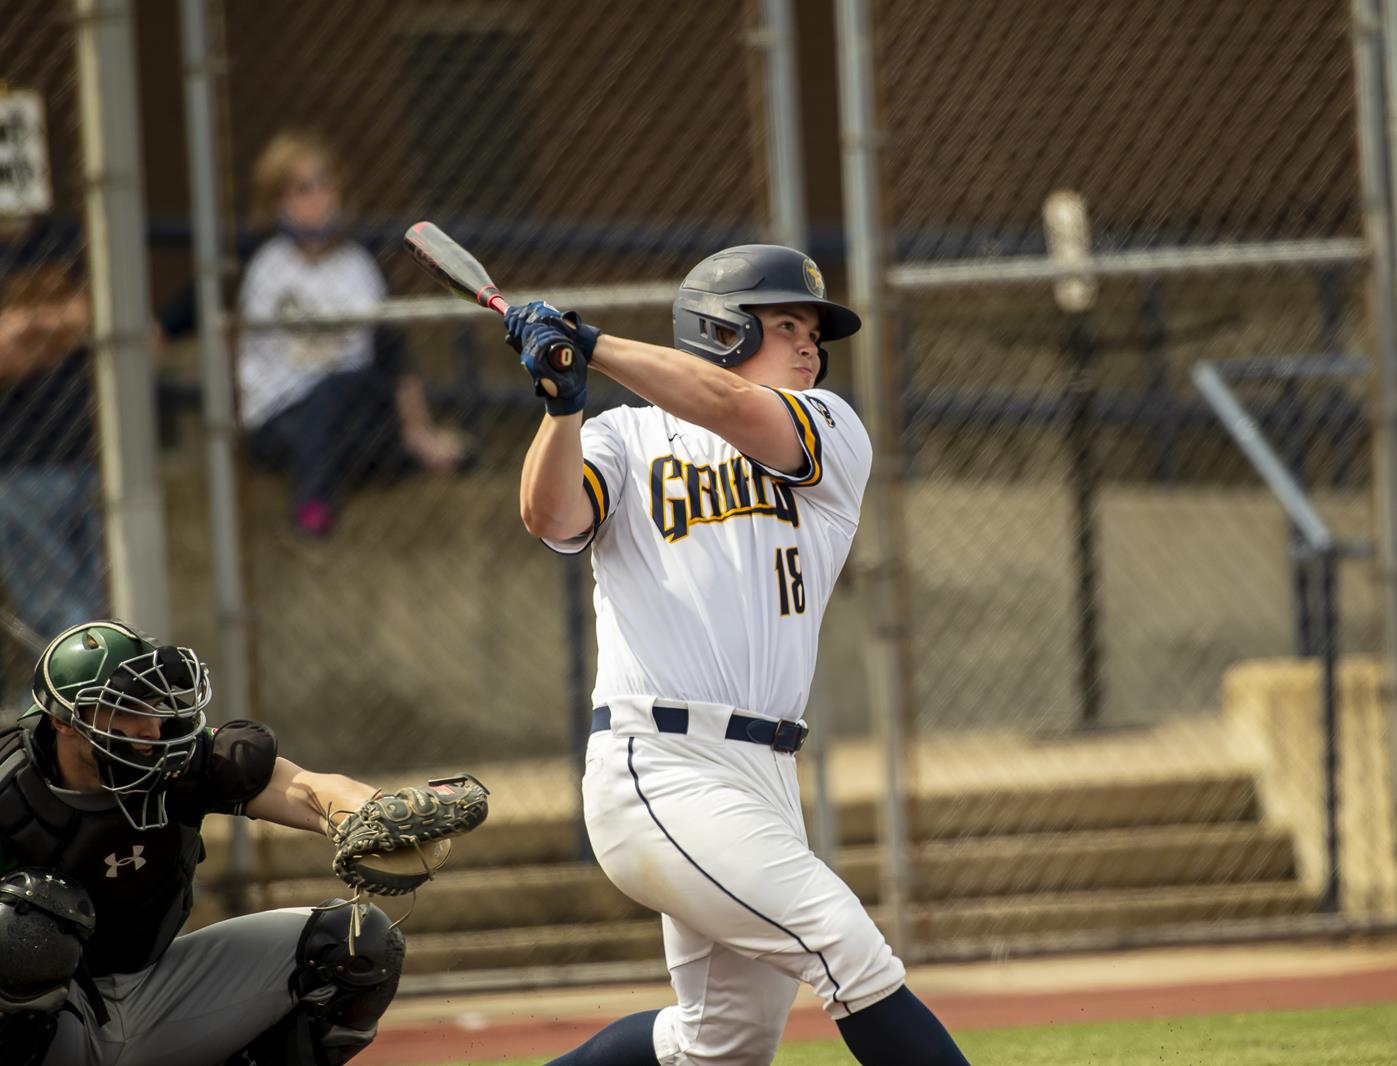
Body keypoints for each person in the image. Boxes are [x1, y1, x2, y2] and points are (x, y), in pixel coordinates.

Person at [509, 246, 970, 1065]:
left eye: (815, 333)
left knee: (717, 1047)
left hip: (763, 775)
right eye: (786, 325)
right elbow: (551, 517)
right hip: (658, 763)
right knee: (846, 946)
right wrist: (561, 405)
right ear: (718, 330)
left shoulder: (830, 427)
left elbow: (727, 404)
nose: (810, 348)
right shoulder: (628, 436)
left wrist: (592, 343)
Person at [0, 619, 409, 1065]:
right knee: (22, 925)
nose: (152, 731)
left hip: (158, 987)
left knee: (362, 943)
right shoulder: (8, 779)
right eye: (127, 709)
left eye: (155, 707)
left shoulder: (179, 759)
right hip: (54, 1017)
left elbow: (306, 789)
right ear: (65, 720)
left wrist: (381, 814)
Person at [237, 131, 465, 536]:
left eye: (326, 183)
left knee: (343, 392)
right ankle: (315, 505)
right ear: (279, 203)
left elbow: (394, 355)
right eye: (304, 189)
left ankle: (323, 498)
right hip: (280, 415)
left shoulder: (359, 264)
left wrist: (419, 430)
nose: (320, 197)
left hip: (351, 404)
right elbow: (189, 306)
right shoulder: (265, 264)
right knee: (328, 410)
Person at [0, 220, 105, 661]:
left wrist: (32, 325)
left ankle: (95, 707)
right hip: (19, 463)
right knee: (60, 616)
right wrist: (57, 324)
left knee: (104, 609)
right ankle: (81, 709)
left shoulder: (64, 235)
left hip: (92, 453)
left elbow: (106, 317)